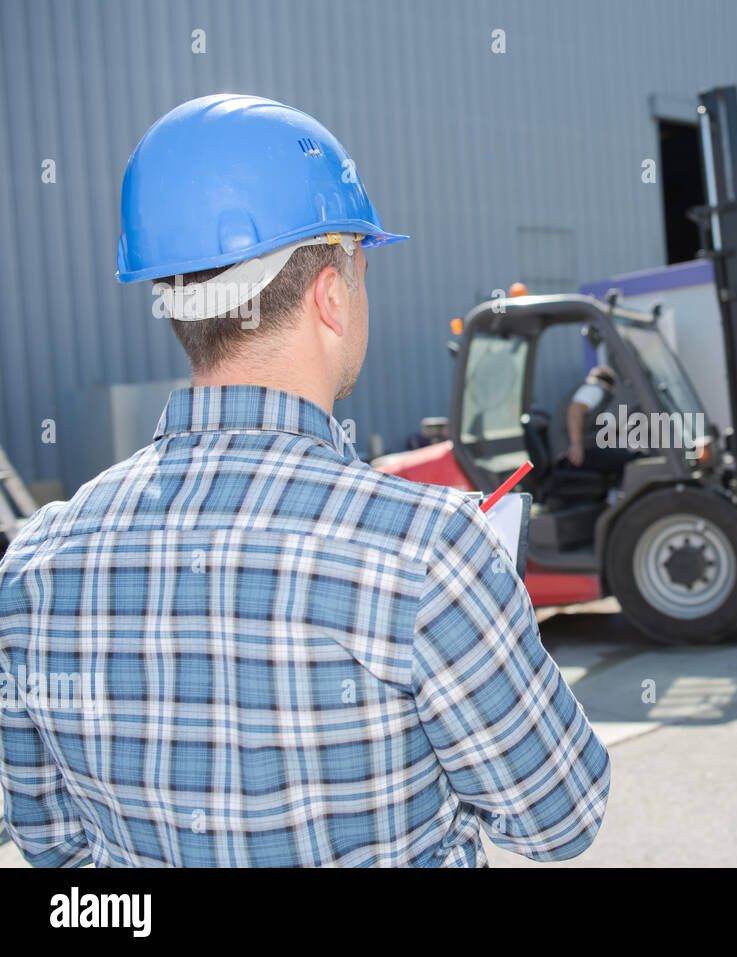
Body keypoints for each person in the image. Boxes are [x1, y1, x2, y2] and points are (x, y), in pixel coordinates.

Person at [0, 94, 609, 867]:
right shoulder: (428, 552)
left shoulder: (36, 564)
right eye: (362, 271)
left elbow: (54, 849)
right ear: (330, 295)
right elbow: (560, 818)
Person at [565, 365, 640, 481]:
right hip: (576, 451)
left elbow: (597, 433)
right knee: (635, 461)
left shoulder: (592, 391)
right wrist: (576, 445)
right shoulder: (594, 389)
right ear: (612, 386)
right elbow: (575, 411)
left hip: (584, 448)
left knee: (621, 456)